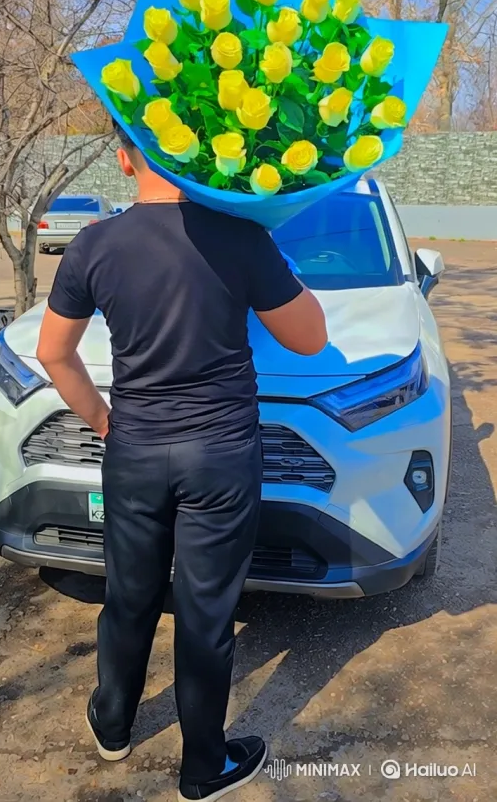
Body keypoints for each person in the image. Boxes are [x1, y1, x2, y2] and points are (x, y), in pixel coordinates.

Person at [37, 122, 328, 802]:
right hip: (221, 453)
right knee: (204, 613)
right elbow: (311, 338)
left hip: (134, 447)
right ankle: (203, 767)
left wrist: (102, 419)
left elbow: (54, 352)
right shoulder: (239, 236)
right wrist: (275, 254)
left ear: (123, 156)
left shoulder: (94, 244)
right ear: (191, 150)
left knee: (129, 594)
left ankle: (113, 723)